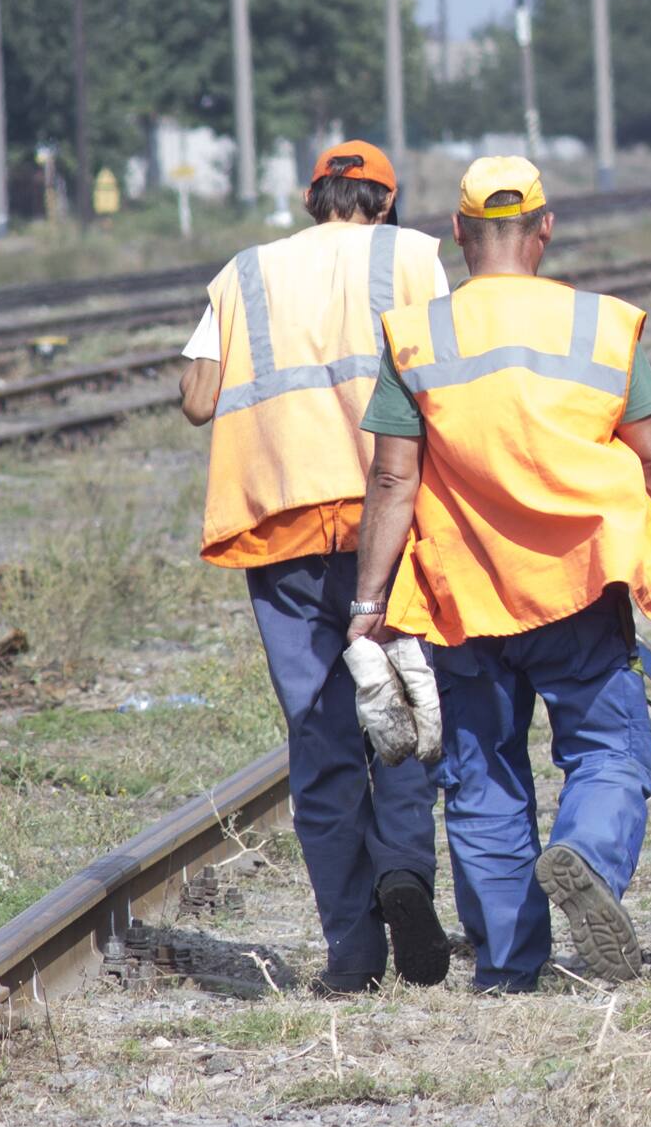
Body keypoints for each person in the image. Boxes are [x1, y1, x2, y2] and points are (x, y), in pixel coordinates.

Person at [347, 156, 651, 990]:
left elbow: (392, 480)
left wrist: (369, 603)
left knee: (482, 774)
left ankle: (510, 965)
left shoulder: (418, 336)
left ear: (458, 234)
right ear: (545, 230)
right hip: (582, 588)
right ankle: (586, 854)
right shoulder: (598, 325)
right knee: (608, 752)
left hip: (467, 595)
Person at [180, 140, 452, 994]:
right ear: (385, 202)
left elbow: (196, 398)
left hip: (284, 523)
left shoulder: (245, 273)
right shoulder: (413, 257)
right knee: (401, 700)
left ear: (314, 199)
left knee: (322, 734)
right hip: (388, 518)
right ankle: (404, 865)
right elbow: (446, 377)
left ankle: (353, 953)